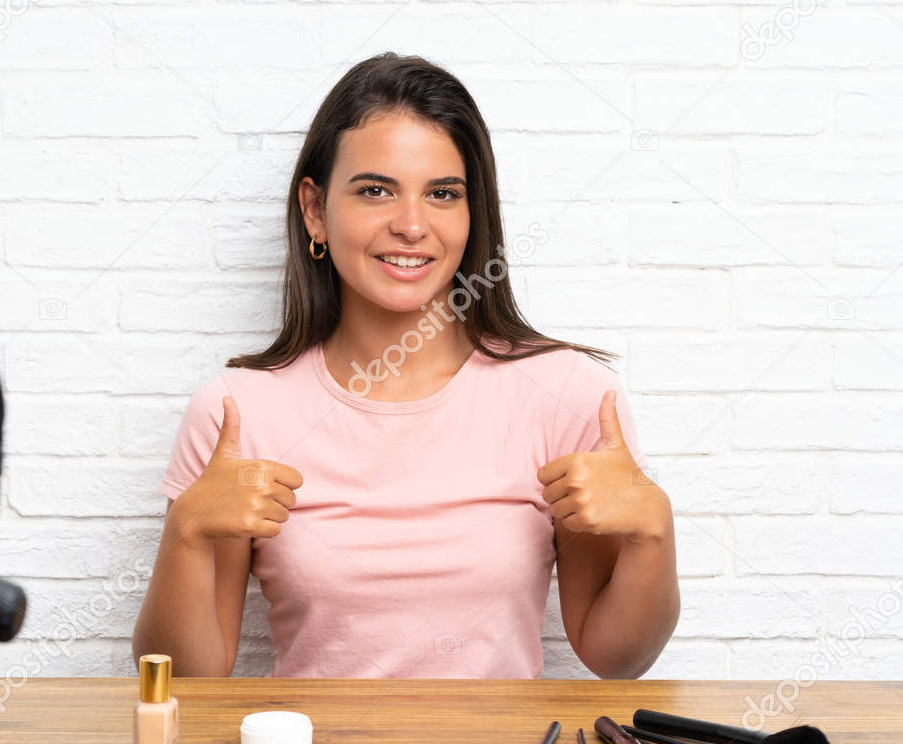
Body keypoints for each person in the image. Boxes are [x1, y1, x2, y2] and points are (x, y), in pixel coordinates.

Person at [131, 53, 678, 679]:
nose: (412, 225)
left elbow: (615, 658)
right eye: (374, 190)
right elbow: (185, 684)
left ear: (472, 216)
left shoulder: (570, 397)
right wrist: (189, 534)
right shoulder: (236, 413)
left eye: (442, 194)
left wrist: (653, 530)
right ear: (315, 210)